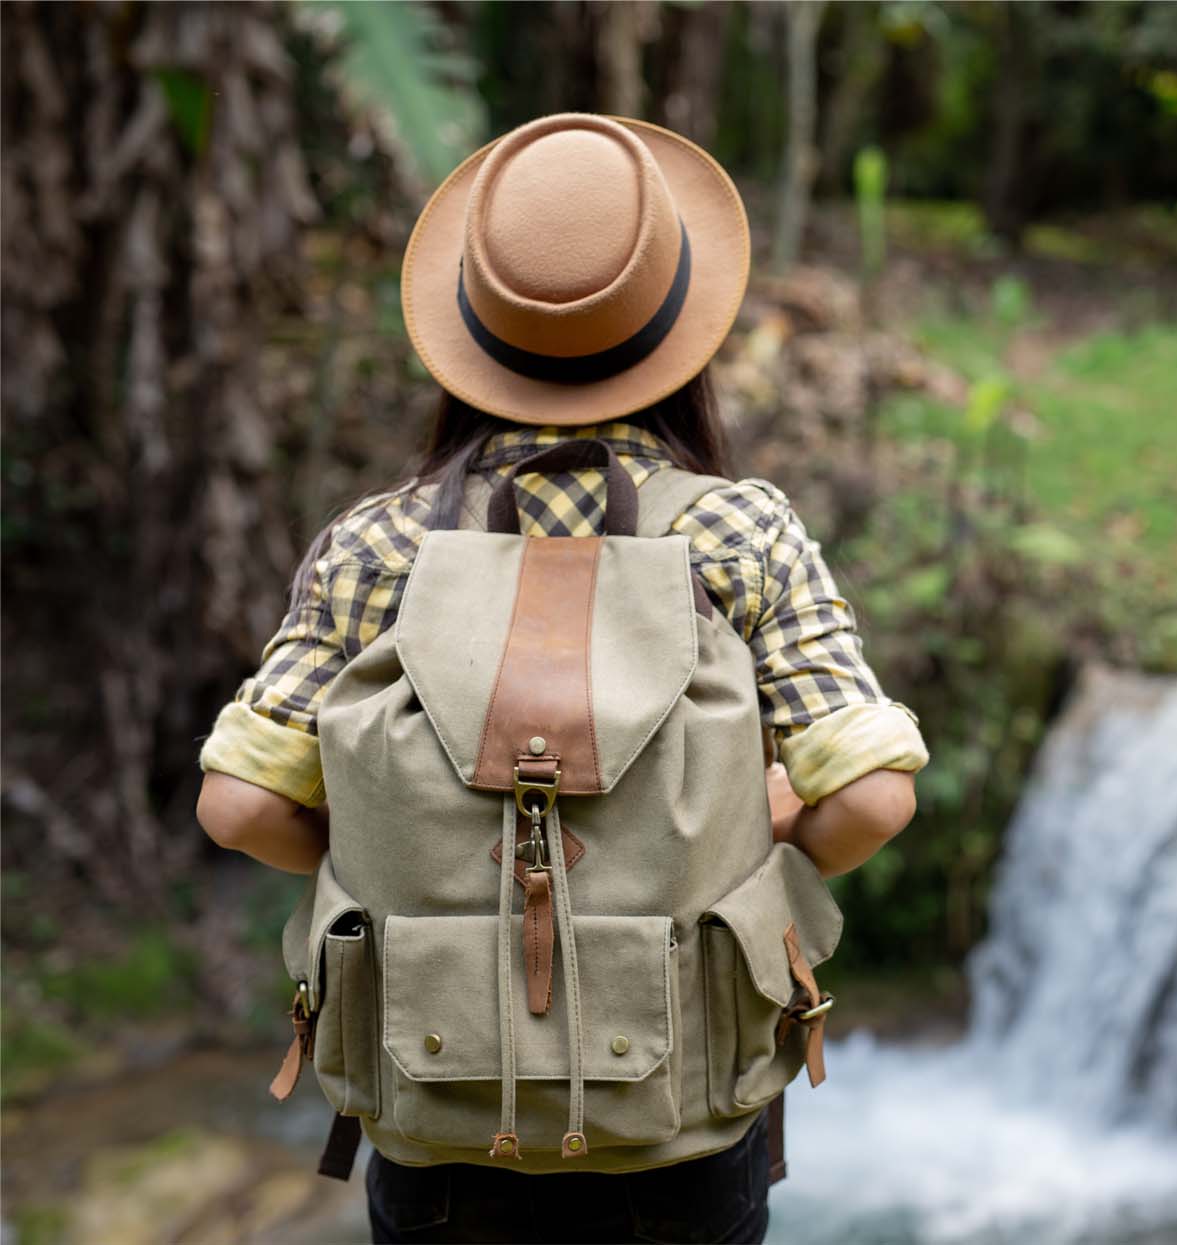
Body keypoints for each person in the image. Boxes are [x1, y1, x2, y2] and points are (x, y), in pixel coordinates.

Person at [194, 113, 927, 1244]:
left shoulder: (377, 548)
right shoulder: (740, 537)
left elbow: (239, 804)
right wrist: (756, 831)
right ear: (680, 329)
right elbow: (874, 798)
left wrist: (402, 841)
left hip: (436, 1125)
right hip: (682, 1133)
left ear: (471, 331)